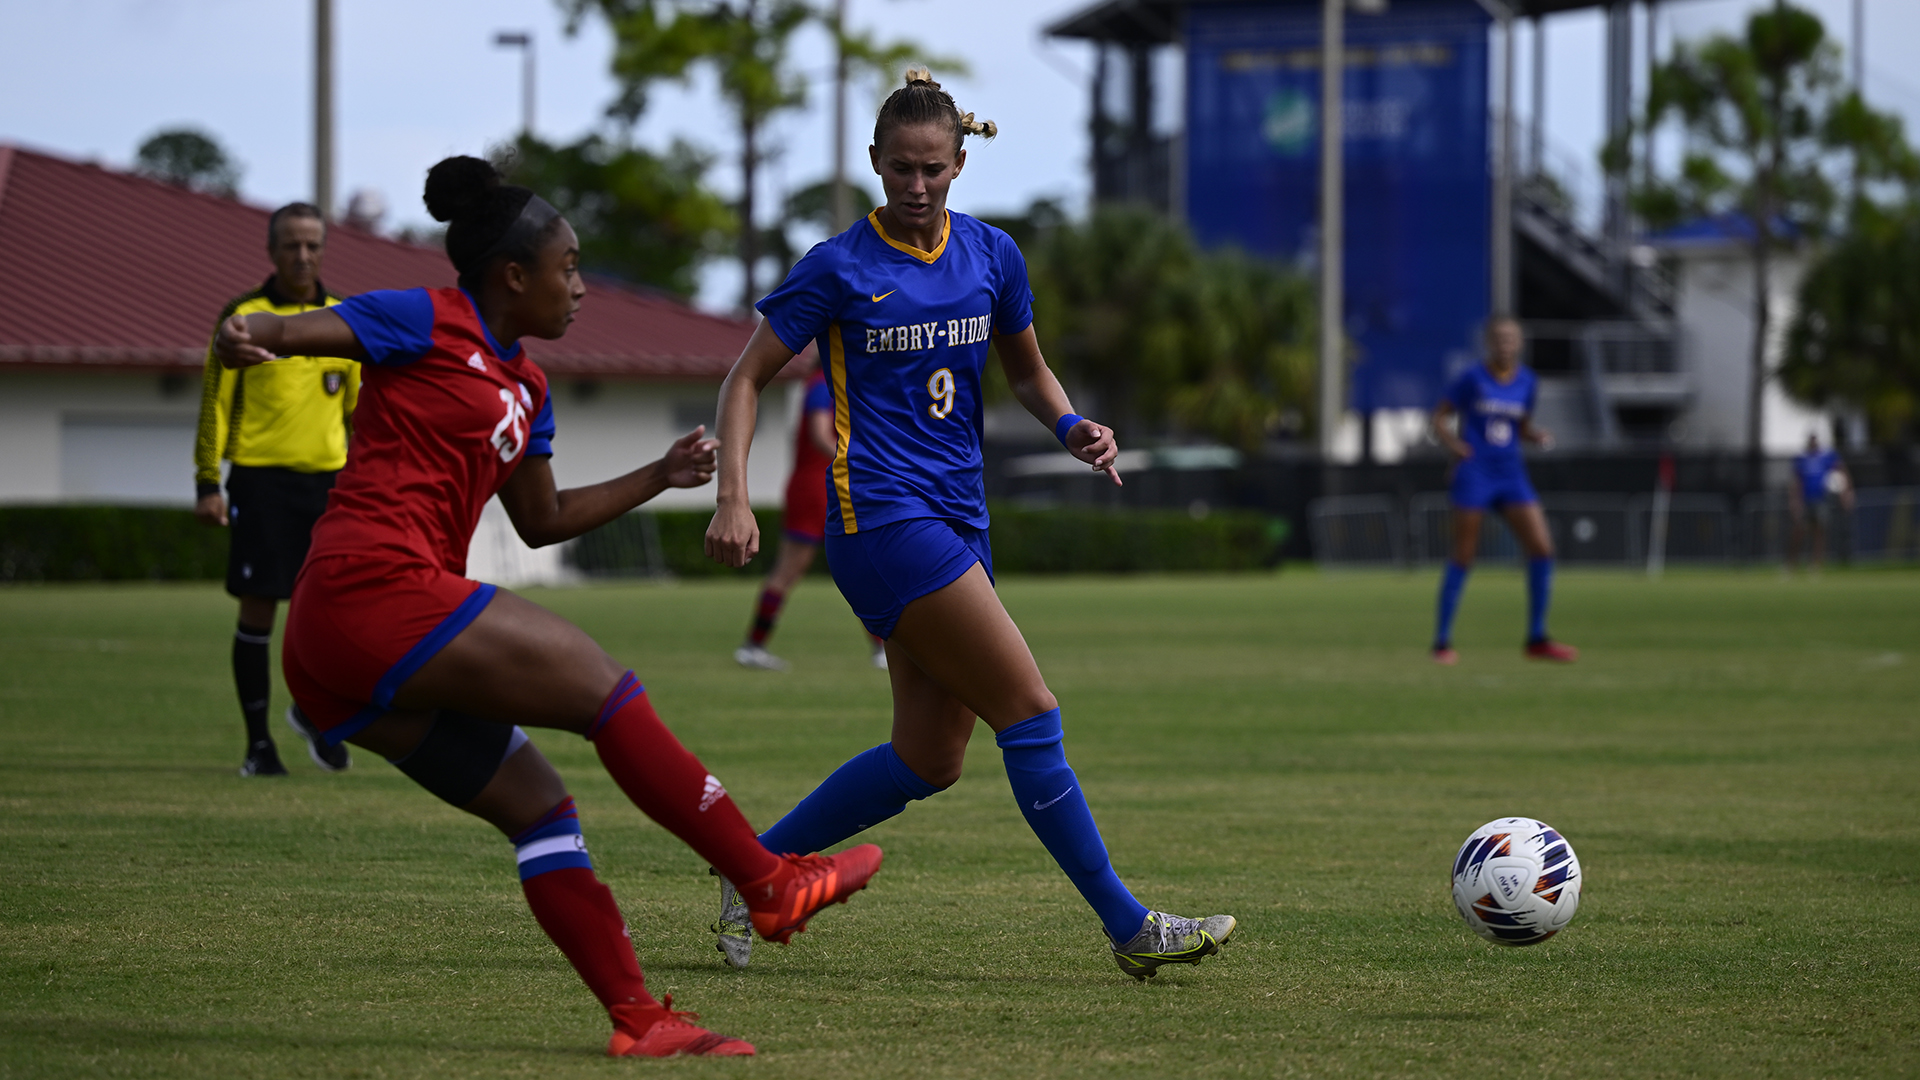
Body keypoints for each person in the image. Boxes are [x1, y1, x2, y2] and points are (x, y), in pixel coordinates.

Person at [211, 156, 882, 1058]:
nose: (579, 287)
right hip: (367, 590)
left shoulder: (529, 389)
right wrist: (246, 333)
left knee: (540, 809)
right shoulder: (425, 317)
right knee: (607, 690)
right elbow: (286, 332)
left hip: (361, 646)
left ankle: (641, 1022)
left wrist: (660, 476)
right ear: (513, 275)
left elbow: (544, 521)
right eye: (568, 267)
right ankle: (765, 881)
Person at [702, 69, 1235, 979]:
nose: (917, 186)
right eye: (901, 168)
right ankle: (1129, 924)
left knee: (930, 758)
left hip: (958, 518)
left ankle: (748, 868)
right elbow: (745, 377)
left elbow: (1027, 372)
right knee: (1030, 713)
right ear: (874, 163)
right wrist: (732, 495)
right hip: (880, 519)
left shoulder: (992, 255)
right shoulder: (836, 266)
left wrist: (1072, 426)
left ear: (959, 164)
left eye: (934, 169)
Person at [194, 202, 359, 777]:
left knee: (333, 614)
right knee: (260, 611)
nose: (302, 255)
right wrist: (207, 483)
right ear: (271, 250)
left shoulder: (344, 319)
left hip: (331, 489)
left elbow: (362, 415)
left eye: (313, 245)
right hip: (261, 485)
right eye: (291, 244)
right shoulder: (243, 317)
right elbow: (214, 405)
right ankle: (258, 745)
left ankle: (315, 715)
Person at [1429, 316, 1577, 665]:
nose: (1505, 343)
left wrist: (1534, 435)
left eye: (1511, 337)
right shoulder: (1472, 377)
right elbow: (1438, 417)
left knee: (1542, 548)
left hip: (1511, 471)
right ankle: (1442, 642)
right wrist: (1455, 446)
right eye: (1498, 337)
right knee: (1464, 553)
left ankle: (1537, 638)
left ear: (1520, 342)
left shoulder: (1527, 381)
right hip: (1476, 471)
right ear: (1488, 342)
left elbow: (1518, 426)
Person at [734, 361, 887, 671]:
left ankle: (880, 650)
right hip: (818, 489)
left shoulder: (828, 384)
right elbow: (820, 434)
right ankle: (753, 646)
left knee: (857, 567)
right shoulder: (821, 385)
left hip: (821, 487)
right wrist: (858, 463)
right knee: (816, 568)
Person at [1788, 431, 1853, 571]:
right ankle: (1791, 564)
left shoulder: (1827, 456)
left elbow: (1842, 472)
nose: (1813, 442)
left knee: (1819, 531)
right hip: (1805, 500)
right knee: (1799, 531)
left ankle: (1815, 565)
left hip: (1821, 500)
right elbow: (1796, 481)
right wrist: (1794, 500)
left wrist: (1846, 493)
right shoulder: (1802, 458)